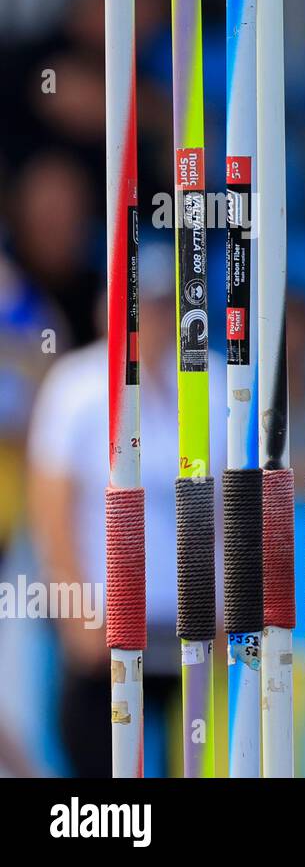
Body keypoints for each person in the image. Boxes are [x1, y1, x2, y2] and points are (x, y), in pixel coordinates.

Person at [28, 239, 225, 777]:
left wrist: (229, 600)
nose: (152, 319)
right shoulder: (76, 385)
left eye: (162, 305)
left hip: (188, 615)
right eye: (139, 304)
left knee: (192, 757)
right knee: (101, 764)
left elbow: (231, 507)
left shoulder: (212, 381)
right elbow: (51, 508)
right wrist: (76, 607)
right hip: (110, 615)